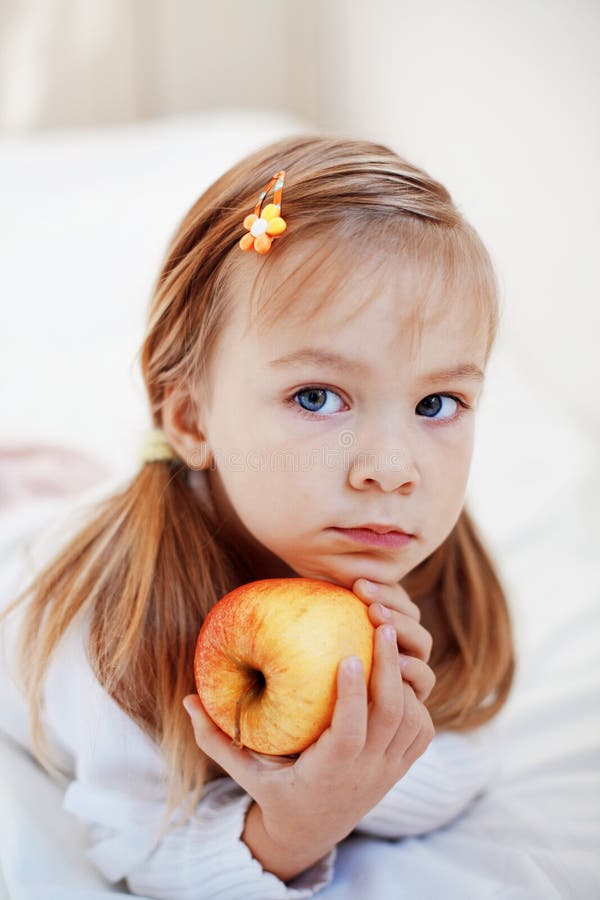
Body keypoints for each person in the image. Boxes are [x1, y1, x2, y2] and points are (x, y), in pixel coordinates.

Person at [0, 135, 515, 898]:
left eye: (436, 404)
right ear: (192, 417)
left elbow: (472, 748)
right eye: (317, 397)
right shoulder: (107, 624)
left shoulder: (399, 543)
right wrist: (298, 827)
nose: (393, 466)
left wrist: (371, 755)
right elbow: (143, 848)